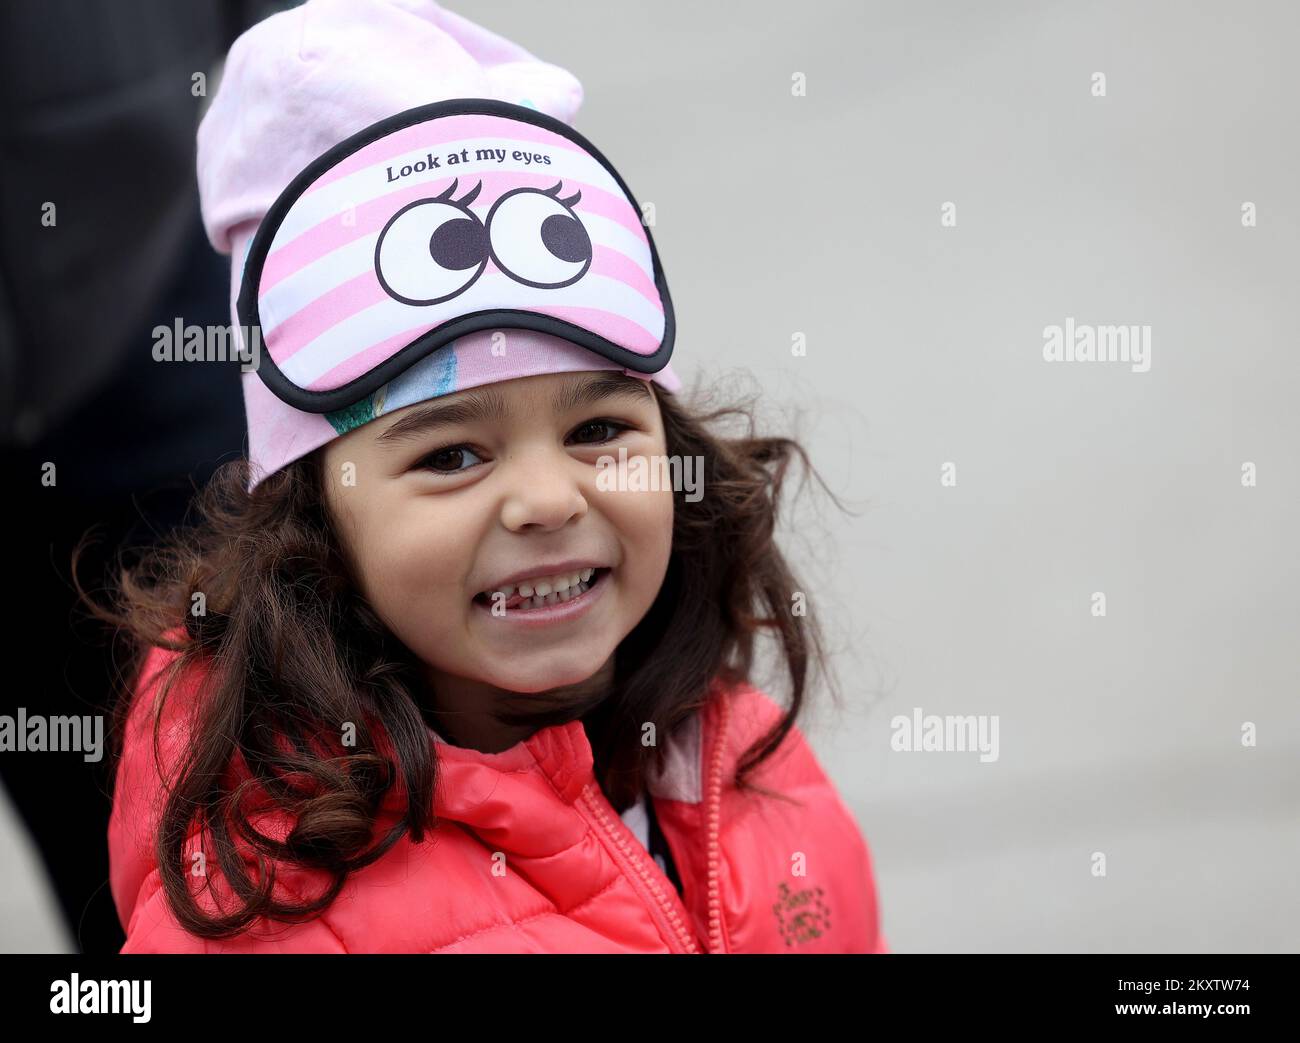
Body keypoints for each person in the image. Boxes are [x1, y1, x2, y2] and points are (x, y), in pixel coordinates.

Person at [93, 0, 888, 953]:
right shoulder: (273, 914)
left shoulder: (735, 756)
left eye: (598, 427)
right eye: (452, 454)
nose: (551, 499)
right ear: (312, 525)